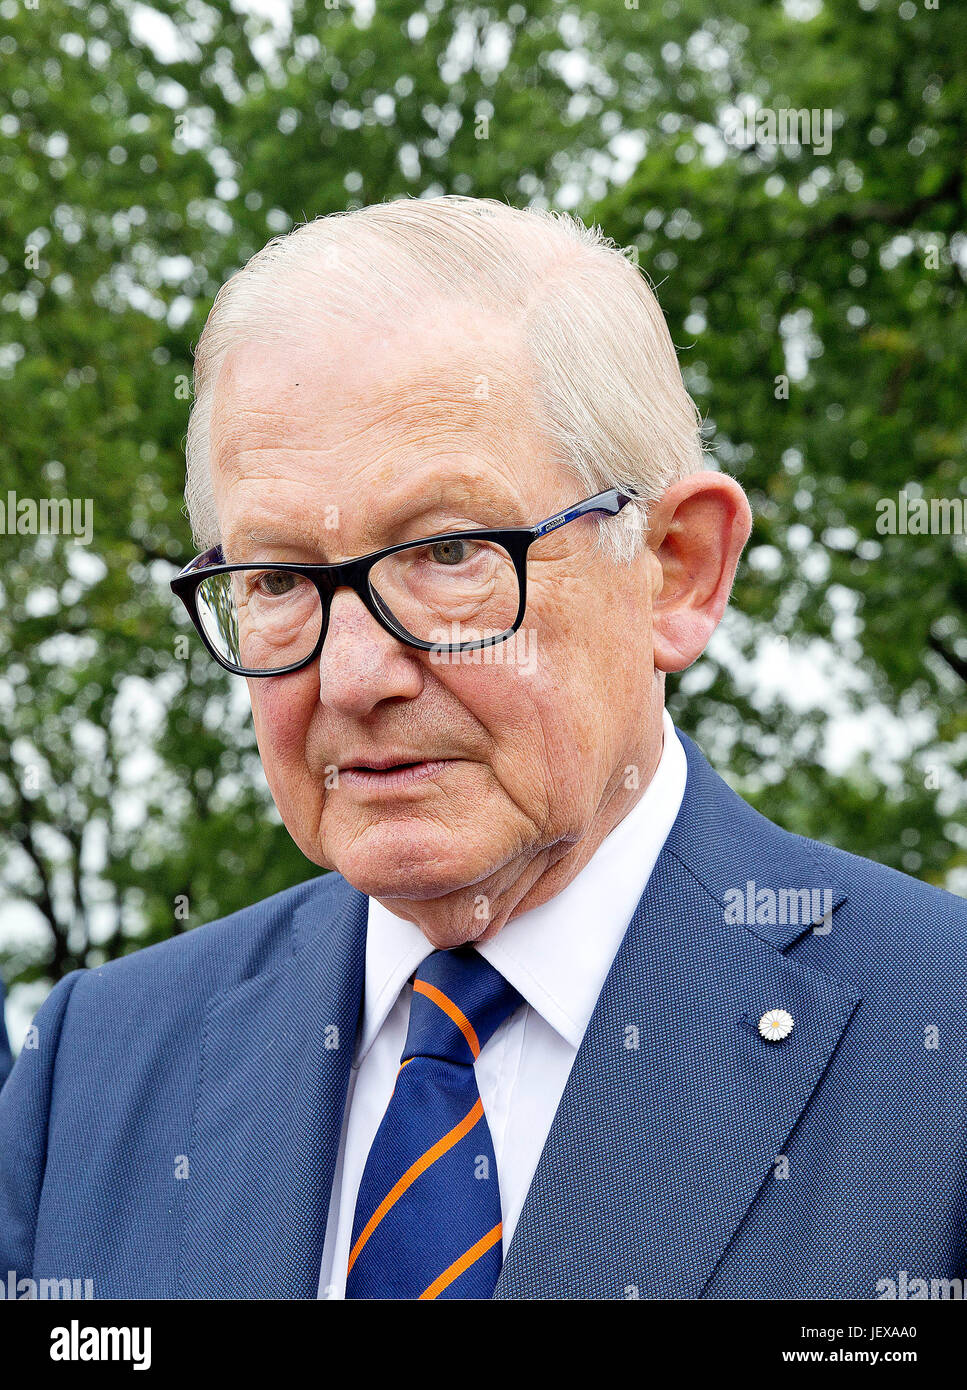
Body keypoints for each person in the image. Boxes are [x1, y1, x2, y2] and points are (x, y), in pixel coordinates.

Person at [1, 196, 964, 1300]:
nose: (355, 676)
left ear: (677, 569)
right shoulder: (94, 1067)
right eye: (274, 579)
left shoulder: (941, 1043)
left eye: (449, 551)